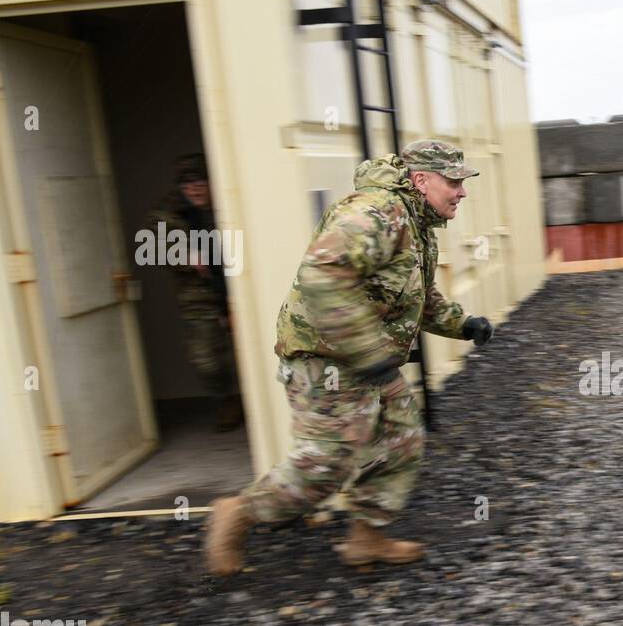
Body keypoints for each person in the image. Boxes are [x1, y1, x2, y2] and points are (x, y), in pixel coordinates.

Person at [204, 140, 494, 574]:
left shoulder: (415, 224)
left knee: (401, 437)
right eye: (453, 181)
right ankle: (240, 513)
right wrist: (366, 349)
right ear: (421, 180)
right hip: (325, 357)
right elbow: (322, 275)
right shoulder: (376, 214)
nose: (461, 191)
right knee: (326, 463)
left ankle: (367, 539)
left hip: (364, 357)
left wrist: (462, 324)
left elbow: (415, 295)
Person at [147, 154, 241, 430]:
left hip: (239, 288)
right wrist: (182, 256)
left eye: (201, 182)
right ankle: (226, 400)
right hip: (199, 298)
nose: (195, 189)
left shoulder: (230, 200)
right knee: (206, 359)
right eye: (188, 185)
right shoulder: (166, 214)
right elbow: (151, 249)